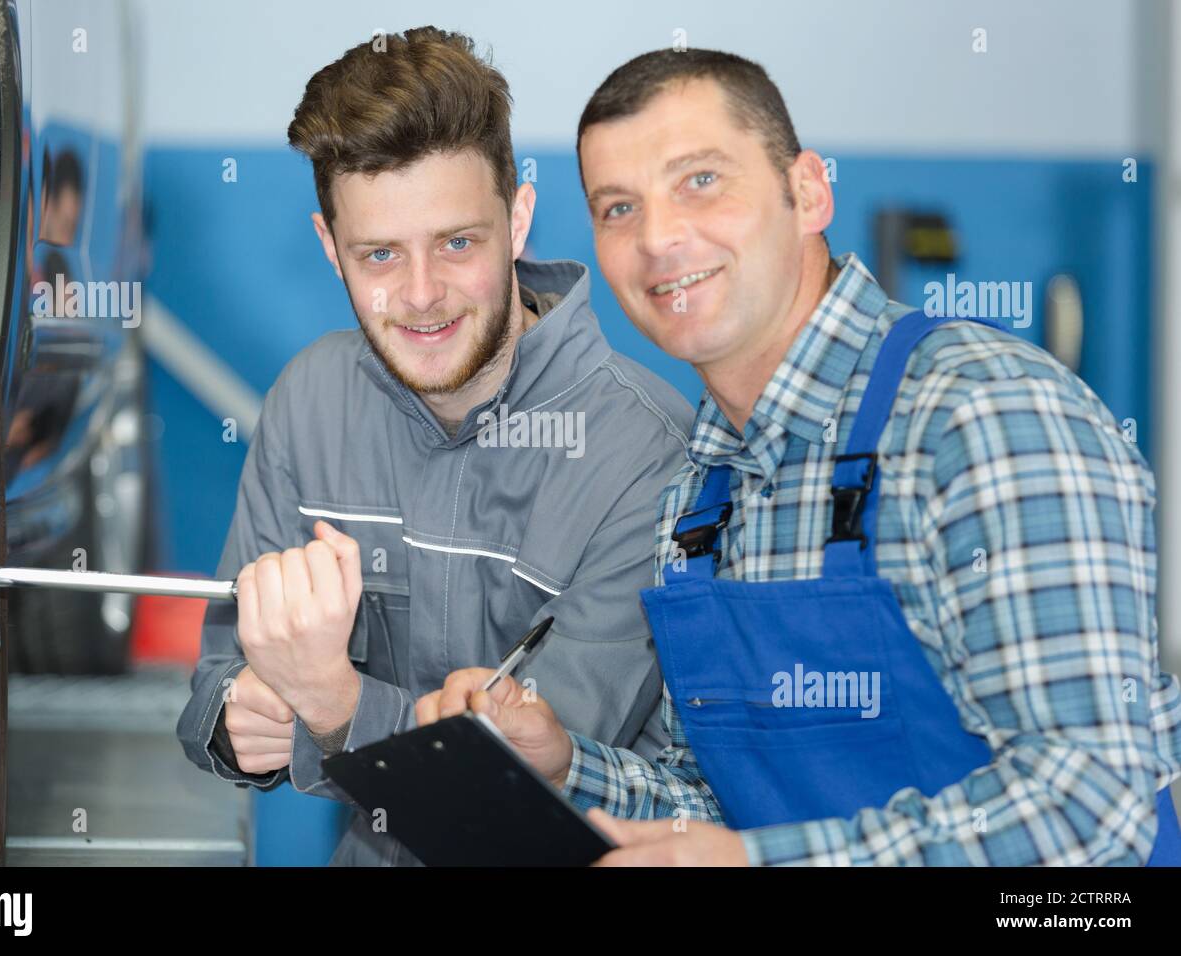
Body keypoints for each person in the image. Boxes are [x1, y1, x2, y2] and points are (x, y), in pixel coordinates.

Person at [418, 48, 1181, 866]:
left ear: (808, 191)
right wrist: (567, 765)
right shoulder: (698, 499)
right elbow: (716, 801)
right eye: (617, 208)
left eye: (701, 180)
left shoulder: (981, 415)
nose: (661, 237)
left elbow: (1093, 805)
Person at [175, 28, 693, 867]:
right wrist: (238, 721)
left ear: (518, 218)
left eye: (458, 243)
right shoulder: (309, 402)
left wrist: (332, 703)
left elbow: (519, 801)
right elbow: (209, 695)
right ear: (327, 247)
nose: (421, 296)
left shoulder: (648, 455)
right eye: (379, 254)